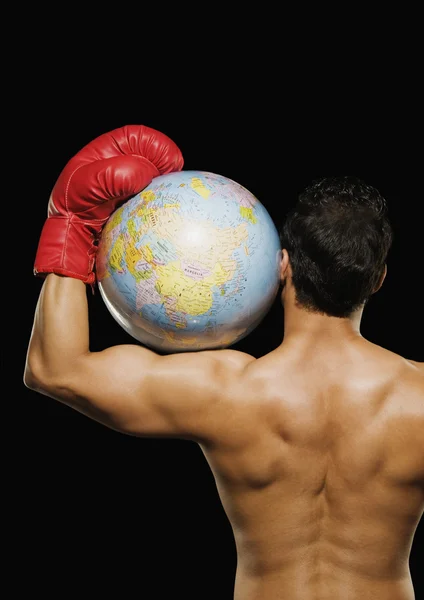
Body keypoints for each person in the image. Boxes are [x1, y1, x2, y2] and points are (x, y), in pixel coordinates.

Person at [24, 124, 424, 600]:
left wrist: (72, 223)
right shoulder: (418, 398)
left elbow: (55, 368)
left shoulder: (228, 392)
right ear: (378, 279)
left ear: (282, 264)